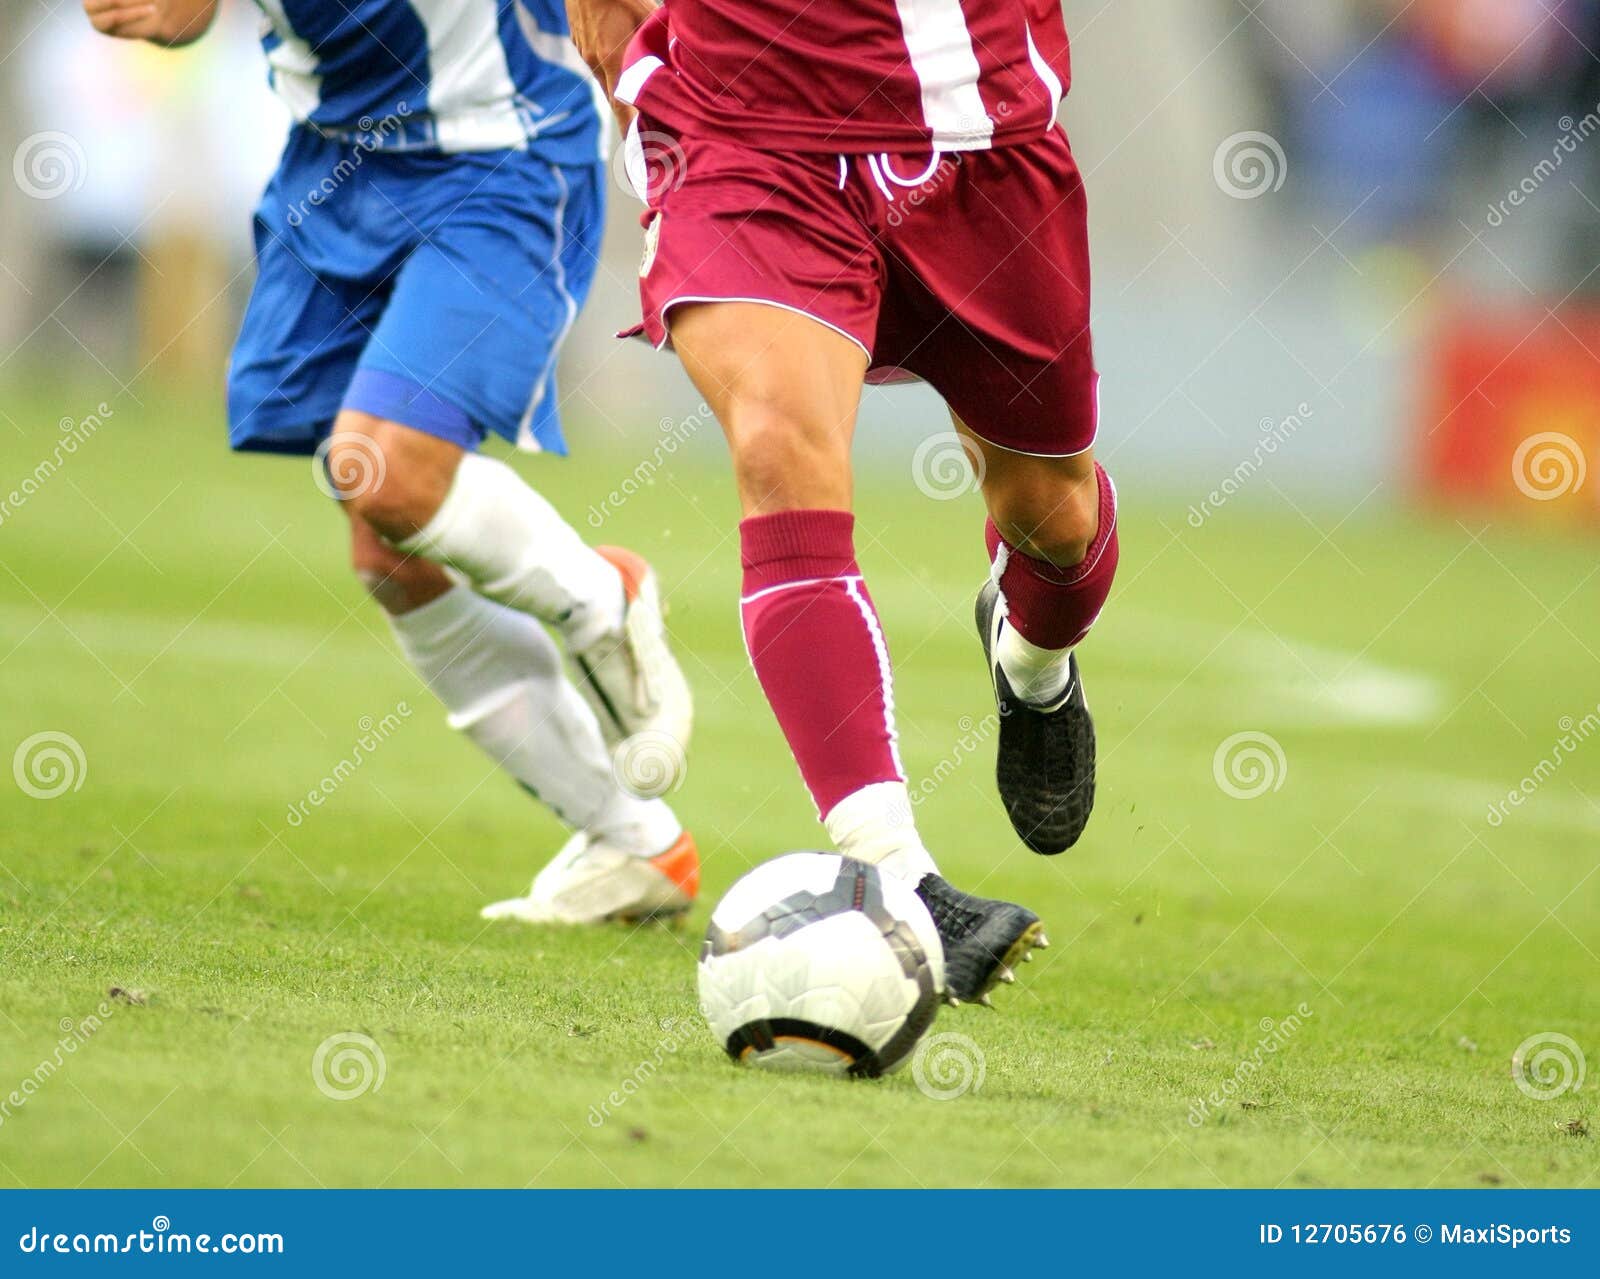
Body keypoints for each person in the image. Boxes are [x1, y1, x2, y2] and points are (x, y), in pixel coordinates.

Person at [84, 0, 699, 925]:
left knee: (385, 471)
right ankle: (633, 841)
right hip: (335, 167)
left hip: (500, 154)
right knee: (389, 552)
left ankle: (602, 595)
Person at [566, 0, 1119, 1002]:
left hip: (976, 129)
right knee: (778, 449)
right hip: (744, 122)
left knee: (1054, 518)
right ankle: (900, 878)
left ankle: (1033, 661)